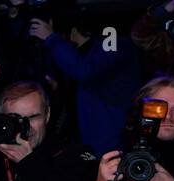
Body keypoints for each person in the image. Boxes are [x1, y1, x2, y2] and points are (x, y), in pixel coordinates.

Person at [30, 8, 144, 156]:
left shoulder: (113, 41)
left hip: (111, 139)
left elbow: (85, 71)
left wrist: (52, 38)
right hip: (92, 140)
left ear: (73, 31)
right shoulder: (87, 55)